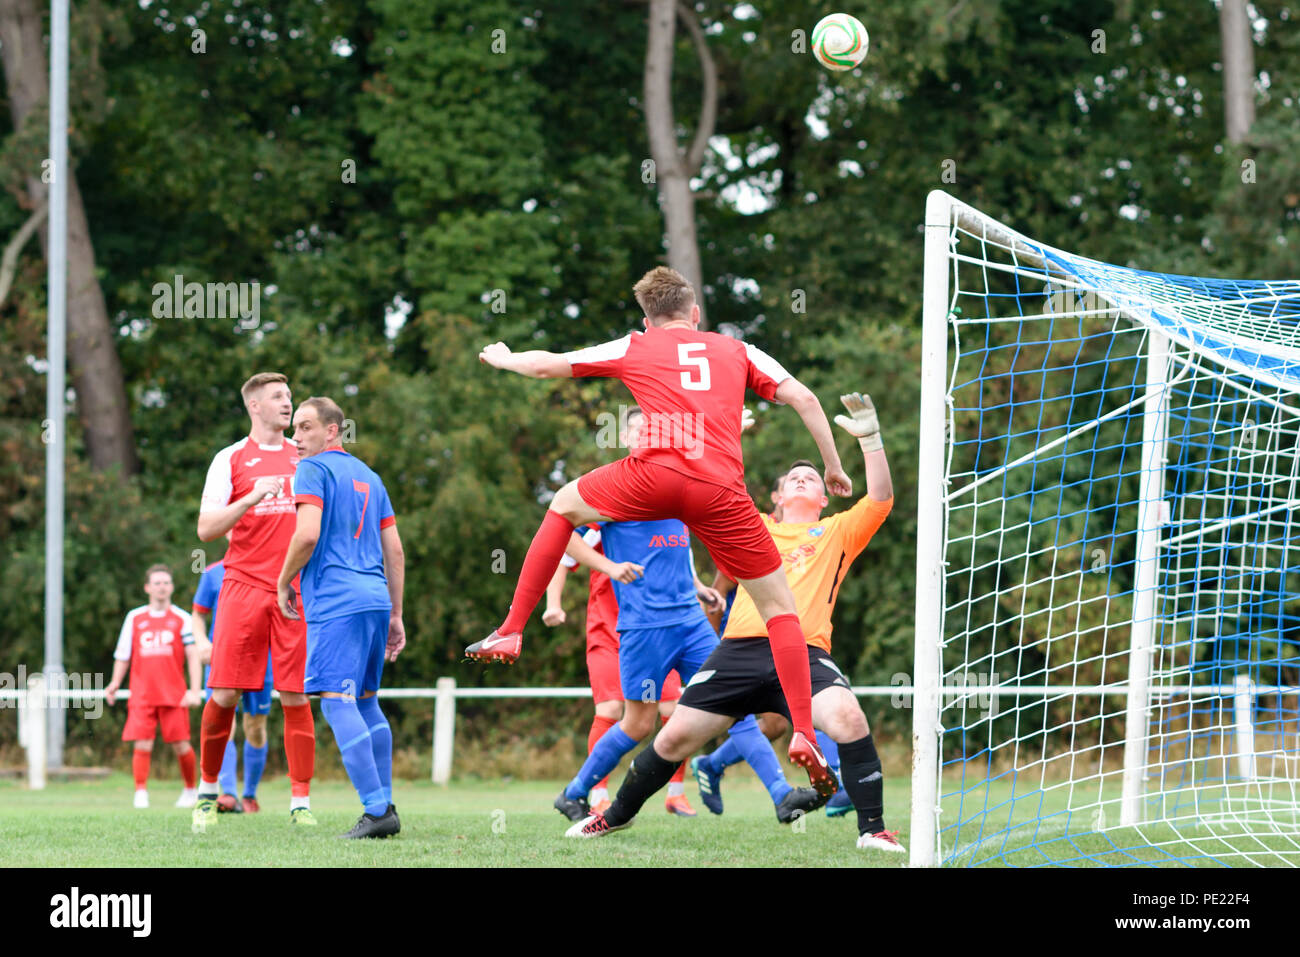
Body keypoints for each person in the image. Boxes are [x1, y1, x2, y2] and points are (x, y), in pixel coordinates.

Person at [465, 266, 850, 794]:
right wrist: (832, 467)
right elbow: (805, 398)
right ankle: (803, 732)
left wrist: (505, 358)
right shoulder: (737, 350)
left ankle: (511, 628)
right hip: (720, 490)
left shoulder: (635, 347)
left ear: (646, 321)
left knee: (562, 506)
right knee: (781, 610)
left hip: (654, 478)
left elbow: (550, 365)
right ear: (694, 314)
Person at [568, 393, 905, 853]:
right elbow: (713, 487)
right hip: (739, 651)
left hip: (804, 653)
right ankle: (612, 817)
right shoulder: (757, 525)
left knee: (847, 717)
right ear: (778, 496)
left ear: (826, 496)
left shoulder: (837, 532)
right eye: (794, 477)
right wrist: (724, 437)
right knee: (671, 739)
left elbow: (882, 498)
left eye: (812, 477)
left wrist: (870, 438)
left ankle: (873, 831)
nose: (803, 479)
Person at [276, 396, 407, 839]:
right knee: (366, 701)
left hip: (337, 601)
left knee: (336, 702)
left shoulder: (313, 470)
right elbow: (396, 552)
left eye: (306, 428)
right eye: (294, 429)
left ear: (332, 431)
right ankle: (384, 805)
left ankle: (375, 809)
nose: (297, 438)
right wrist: (397, 614)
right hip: (374, 601)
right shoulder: (371, 477)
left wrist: (283, 580)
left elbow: (307, 533)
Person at [192, 372, 318, 831]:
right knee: (223, 692)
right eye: (278, 397)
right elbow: (206, 530)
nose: (288, 404)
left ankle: (300, 803)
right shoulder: (229, 459)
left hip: (294, 591)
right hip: (242, 586)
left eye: (289, 396)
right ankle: (207, 794)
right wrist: (249, 498)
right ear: (255, 407)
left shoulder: (307, 457)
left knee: (295, 694)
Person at [105, 565, 203, 809]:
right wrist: (115, 683)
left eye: (166, 583)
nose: (162, 587)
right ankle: (140, 793)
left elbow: (193, 656)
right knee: (142, 742)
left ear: (171, 587)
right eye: (157, 583)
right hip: (142, 693)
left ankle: (191, 790)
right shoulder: (135, 618)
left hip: (174, 694)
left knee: (181, 743)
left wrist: (194, 690)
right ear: (147, 588)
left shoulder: (182, 618)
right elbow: (123, 655)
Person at [191, 539, 273, 813]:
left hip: (263, 659)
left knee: (255, 727)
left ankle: (249, 794)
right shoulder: (212, 573)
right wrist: (202, 642)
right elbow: (198, 614)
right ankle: (227, 793)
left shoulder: (271, 568)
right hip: (222, 659)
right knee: (223, 722)